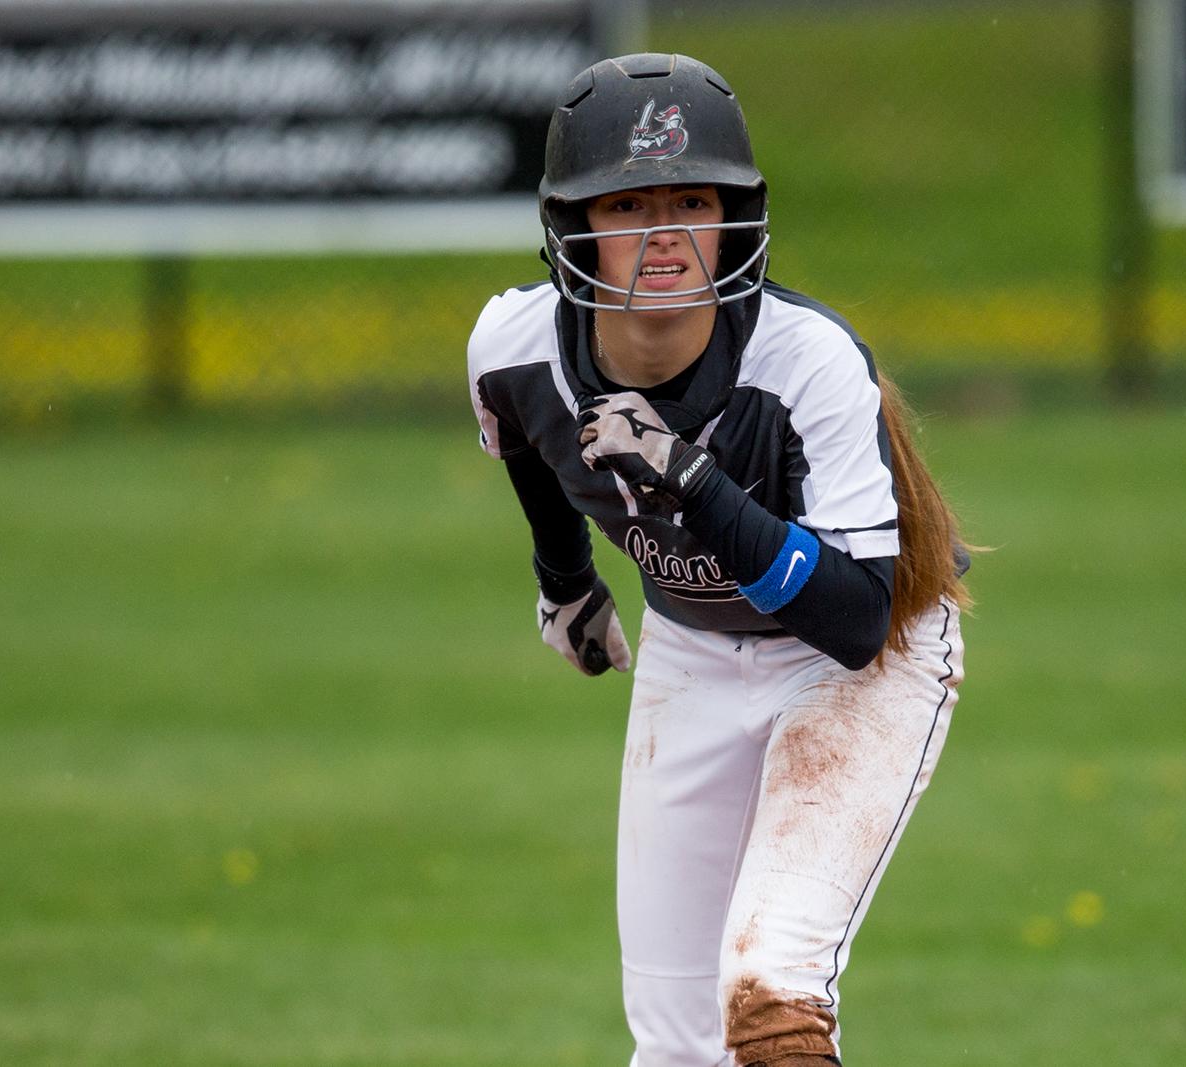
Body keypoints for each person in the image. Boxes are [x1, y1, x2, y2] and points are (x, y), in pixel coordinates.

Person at [466, 52, 970, 1067]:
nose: (663, 232)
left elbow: (855, 615)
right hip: (691, 651)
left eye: (691, 198)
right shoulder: (510, 344)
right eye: (626, 203)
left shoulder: (806, 360)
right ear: (572, 228)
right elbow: (529, 442)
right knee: (676, 1041)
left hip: (857, 663)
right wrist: (566, 583)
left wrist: (693, 483)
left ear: (737, 213)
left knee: (770, 995)